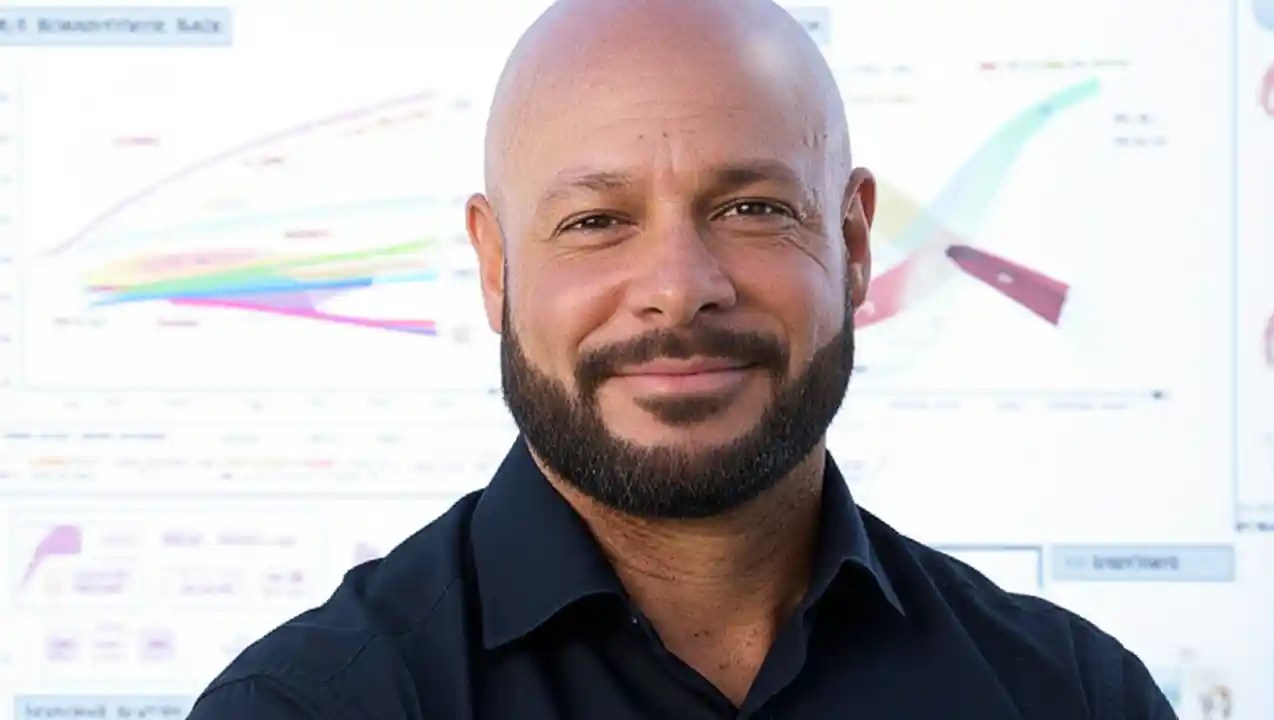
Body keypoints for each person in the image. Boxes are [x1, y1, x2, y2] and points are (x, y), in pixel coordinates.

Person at [188, 0, 1177, 717]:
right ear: (495, 267)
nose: (677, 284)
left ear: (853, 242)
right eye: (595, 220)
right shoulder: (316, 707)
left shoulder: (1073, 698)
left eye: (751, 208)